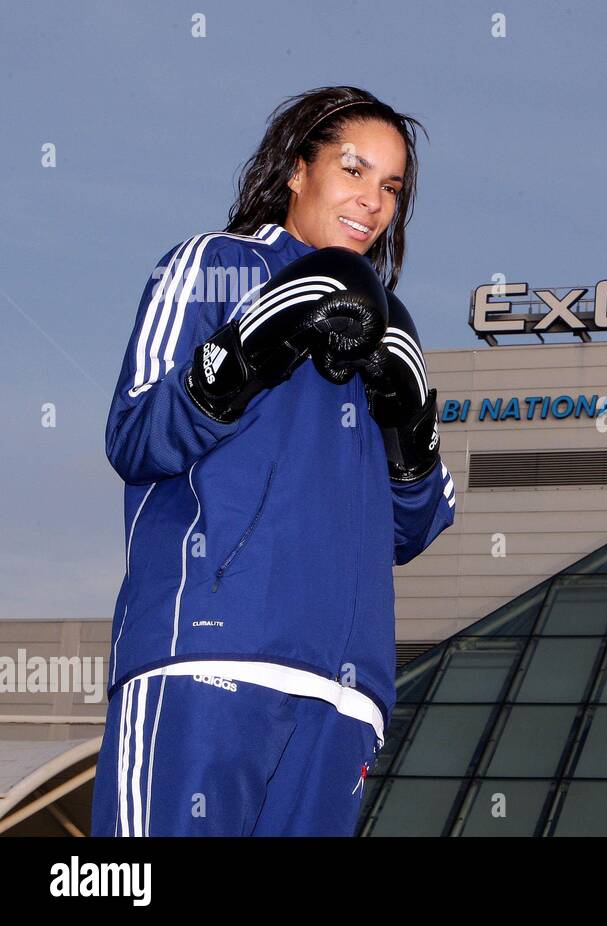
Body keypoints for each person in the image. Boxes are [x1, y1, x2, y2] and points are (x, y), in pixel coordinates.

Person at [92, 87, 455, 836]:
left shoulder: (384, 333)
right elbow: (135, 434)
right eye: (355, 171)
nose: (374, 201)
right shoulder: (214, 266)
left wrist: (411, 429)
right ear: (298, 168)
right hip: (209, 657)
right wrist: (245, 354)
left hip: (343, 694)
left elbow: (409, 531)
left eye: (391, 187)